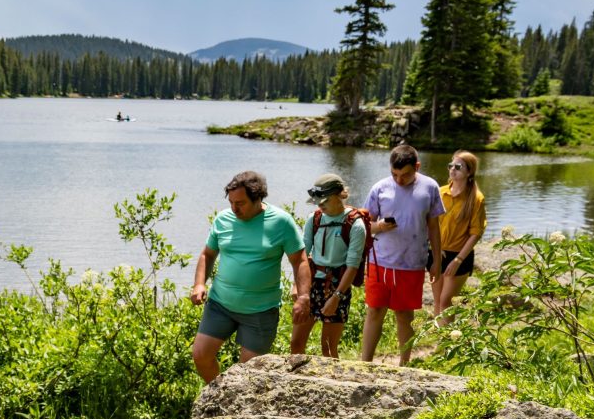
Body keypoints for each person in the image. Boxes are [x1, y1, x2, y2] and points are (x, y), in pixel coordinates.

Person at [189, 171, 310, 383]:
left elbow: (299, 261)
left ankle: (238, 407)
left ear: (258, 198)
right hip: (220, 304)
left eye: (241, 203)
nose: (235, 209)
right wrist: (199, 284)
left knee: (248, 374)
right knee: (201, 355)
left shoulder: (281, 222)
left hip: (260, 311)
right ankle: (220, 398)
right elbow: (207, 255)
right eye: (231, 202)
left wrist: (303, 296)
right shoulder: (223, 219)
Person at [360, 144, 443, 365]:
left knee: (404, 315)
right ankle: (365, 363)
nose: (399, 180)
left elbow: (434, 226)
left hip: (412, 263)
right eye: (394, 174)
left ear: (417, 166)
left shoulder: (430, 187)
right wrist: (379, 226)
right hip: (380, 261)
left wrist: (436, 260)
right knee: (375, 311)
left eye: (405, 175)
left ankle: (404, 365)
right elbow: (364, 224)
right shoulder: (380, 188)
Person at [290, 173, 366, 359]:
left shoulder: (355, 225)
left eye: (325, 200)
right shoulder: (314, 219)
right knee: (296, 343)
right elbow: (302, 256)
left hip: (337, 287)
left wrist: (337, 297)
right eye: (317, 201)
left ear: (341, 195)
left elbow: (352, 266)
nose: (320, 205)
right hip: (312, 284)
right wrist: (297, 286)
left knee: (328, 348)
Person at [432, 150, 487, 318]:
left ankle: (446, 343)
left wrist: (458, 260)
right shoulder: (440, 193)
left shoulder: (476, 198)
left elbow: (476, 233)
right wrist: (433, 248)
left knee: (446, 301)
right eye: (451, 166)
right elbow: (430, 223)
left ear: (469, 172)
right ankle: (439, 340)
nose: (452, 170)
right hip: (436, 253)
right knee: (437, 301)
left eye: (458, 167)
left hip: (459, 256)